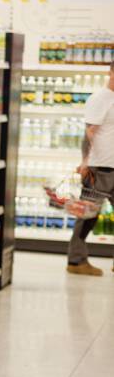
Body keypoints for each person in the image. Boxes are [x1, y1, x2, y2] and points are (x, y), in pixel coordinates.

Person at [68, 63, 114, 276]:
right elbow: (89, 133)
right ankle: (76, 262)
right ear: (111, 72)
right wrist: (85, 161)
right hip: (99, 168)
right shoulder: (99, 99)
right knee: (87, 216)